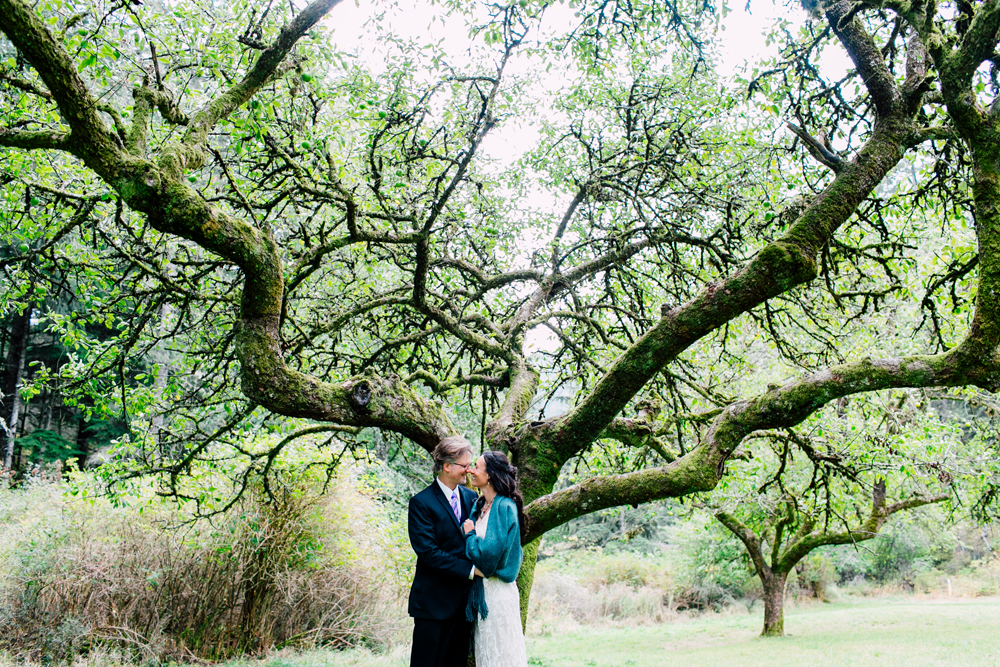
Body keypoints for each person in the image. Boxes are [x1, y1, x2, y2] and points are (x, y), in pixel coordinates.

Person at [407, 436, 479, 667]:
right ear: (447, 466)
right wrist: (471, 570)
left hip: (464, 606)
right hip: (433, 604)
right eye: (464, 465)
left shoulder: (471, 497)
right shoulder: (421, 503)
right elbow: (429, 553)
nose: (468, 470)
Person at [462, 450, 527, 667]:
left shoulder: (504, 506)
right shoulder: (481, 506)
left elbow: (488, 557)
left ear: (489, 475)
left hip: (497, 595)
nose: (471, 470)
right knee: (488, 655)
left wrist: (470, 535)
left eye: (477, 467)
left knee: (503, 656)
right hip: (485, 593)